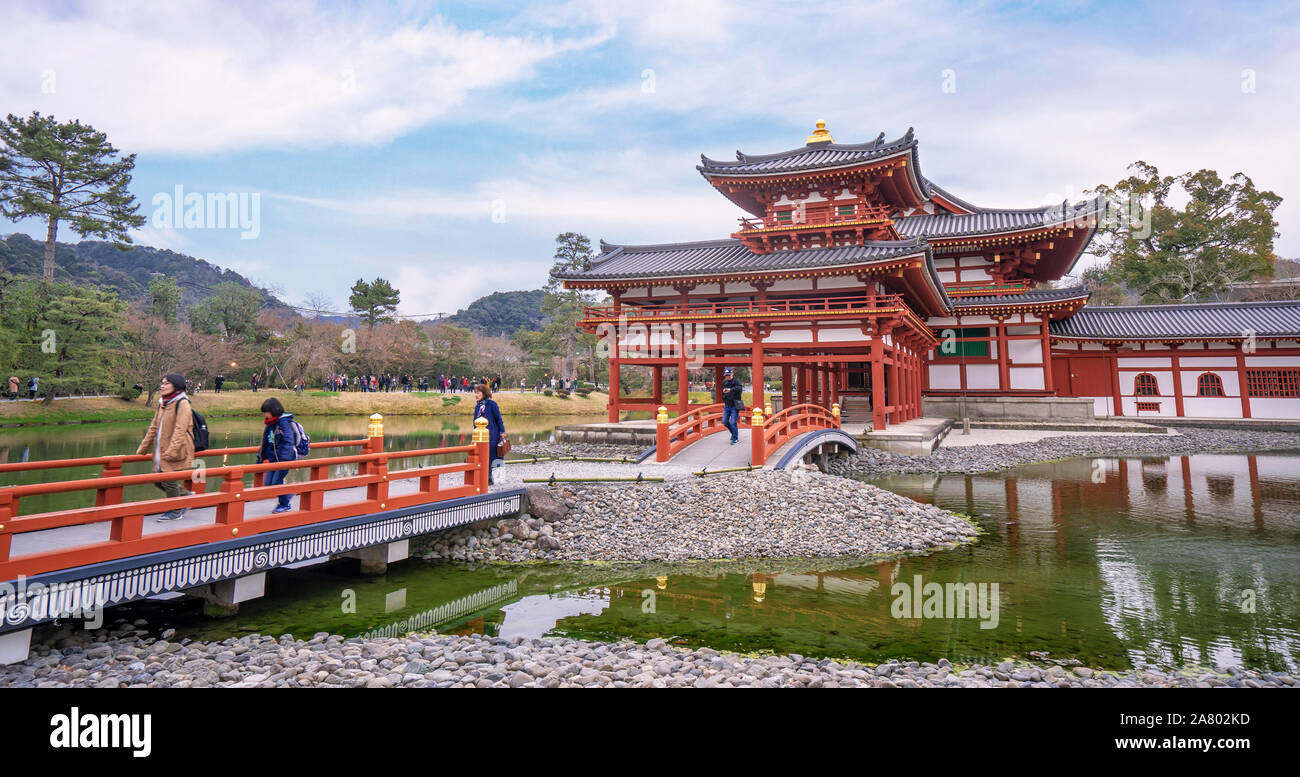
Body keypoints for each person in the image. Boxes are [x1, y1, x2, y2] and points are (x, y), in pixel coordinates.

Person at [135, 373, 195, 521]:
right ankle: (185, 496)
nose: (162, 386)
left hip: (176, 448)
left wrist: (172, 450)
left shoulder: (182, 403)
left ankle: (175, 511)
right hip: (161, 448)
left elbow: (181, 428)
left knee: (168, 479)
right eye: (162, 383)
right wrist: (143, 448)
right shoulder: (163, 402)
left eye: (167, 383)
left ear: (176, 385)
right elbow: (153, 427)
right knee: (157, 479)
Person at [258, 397, 299, 514]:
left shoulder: (283, 423)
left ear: (273, 410)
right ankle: (287, 493)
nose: (265, 415)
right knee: (268, 483)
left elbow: (289, 441)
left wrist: (284, 460)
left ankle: (285, 504)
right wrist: (260, 457)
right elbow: (265, 442)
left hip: (283, 459)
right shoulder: (269, 423)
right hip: (272, 459)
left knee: (276, 482)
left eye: (267, 412)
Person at [473, 383, 506, 486]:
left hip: (493, 435)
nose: (476, 395)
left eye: (478, 392)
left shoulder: (492, 404)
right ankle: (483, 476)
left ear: (484, 393)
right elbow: (475, 421)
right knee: (481, 456)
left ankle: (491, 477)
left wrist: (502, 431)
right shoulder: (477, 406)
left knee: (492, 455)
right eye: (475, 393)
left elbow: (498, 419)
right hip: (480, 436)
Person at [720, 366, 744, 445]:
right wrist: (724, 396)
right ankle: (733, 432)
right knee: (725, 421)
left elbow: (739, 389)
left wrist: (731, 389)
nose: (727, 377)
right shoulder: (724, 382)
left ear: (732, 374)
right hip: (727, 405)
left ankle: (735, 438)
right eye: (726, 375)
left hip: (734, 405)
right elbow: (723, 392)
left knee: (733, 422)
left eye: (729, 375)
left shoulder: (737, 381)